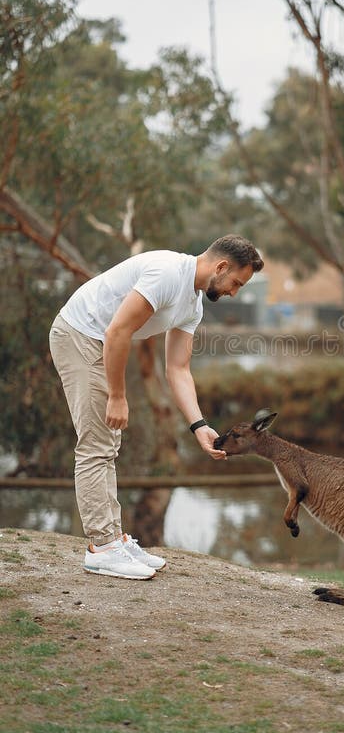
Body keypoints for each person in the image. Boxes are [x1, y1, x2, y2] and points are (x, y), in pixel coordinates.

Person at [49, 234, 264, 580]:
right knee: (96, 445)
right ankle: (102, 548)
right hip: (78, 335)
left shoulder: (192, 304)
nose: (234, 292)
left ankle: (112, 540)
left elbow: (177, 369)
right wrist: (118, 396)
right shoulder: (167, 273)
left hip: (99, 340)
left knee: (108, 444)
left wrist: (198, 425)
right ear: (221, 267)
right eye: (236, 283)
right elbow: (119, 331)